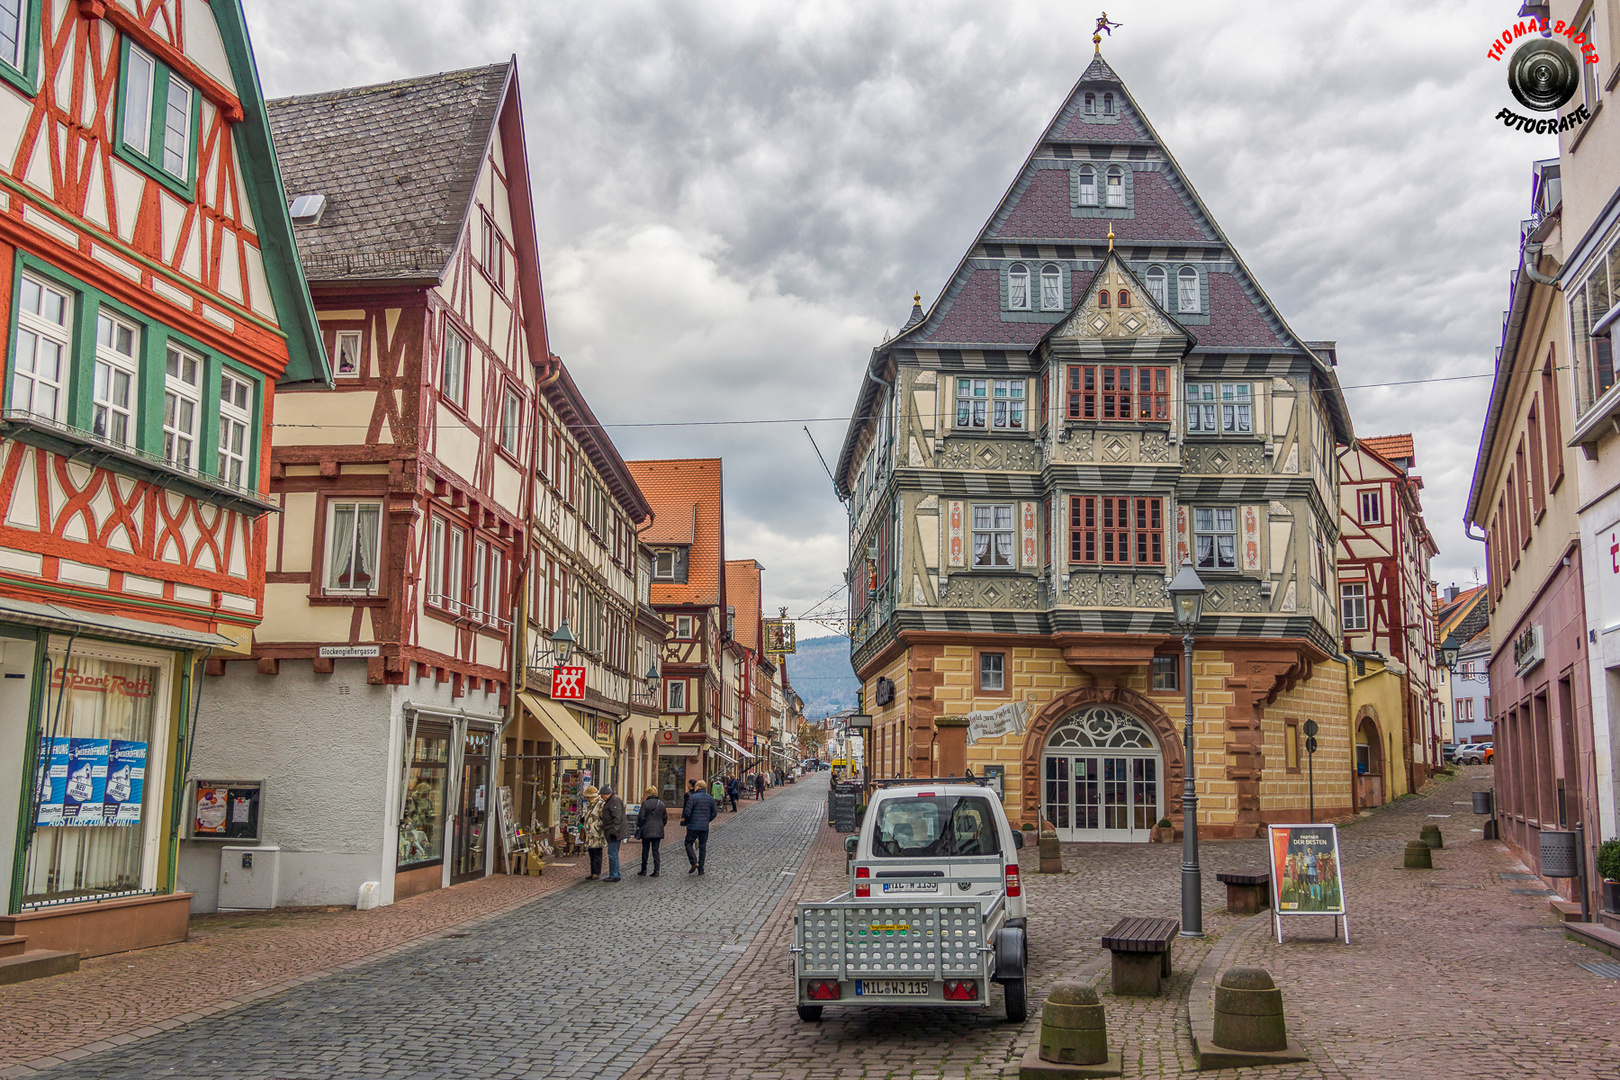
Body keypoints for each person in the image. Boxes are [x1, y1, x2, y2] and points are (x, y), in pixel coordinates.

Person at [682, 779, 717, 875]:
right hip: (704, 827)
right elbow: (714, 812)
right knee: (702, 847)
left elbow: (687, 812)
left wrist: (688, 821)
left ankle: (694, 861)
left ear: (697, 787)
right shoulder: (710, 798)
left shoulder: (693, 798)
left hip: (693, 826)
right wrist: (707, 820)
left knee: (688, 843)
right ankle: (701, 868)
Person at [638, 786, 666, 876]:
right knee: (655, 850)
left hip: (646, 830)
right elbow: (665, 818)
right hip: (658, 830)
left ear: (648, 794)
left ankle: (644, 869)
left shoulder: (645, 804)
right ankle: (656, 870)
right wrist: (660, 825)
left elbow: (641, 817)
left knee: (645, 850)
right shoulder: (661, 804)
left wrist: (640, 825)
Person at [601, 784, 626, 882]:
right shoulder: (612, 801)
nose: (601, 797)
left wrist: (613, 830)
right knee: (612, 853)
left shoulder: (614, 801)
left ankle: (614, 874)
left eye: (602, 795)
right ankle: (615, 873)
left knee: (612, 853)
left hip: (614, 832)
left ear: (606, 794)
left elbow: (617, 817)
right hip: (613, 831)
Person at [581, 785, 606, 880]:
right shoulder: (590, 805)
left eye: (588, 797)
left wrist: (597, 826)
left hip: (597, 833)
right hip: (590, 833)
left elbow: (603, 818)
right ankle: (593, 872)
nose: (587, 799)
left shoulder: (600, 804)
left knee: (597, 853)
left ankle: (596, 872)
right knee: (591, 853)